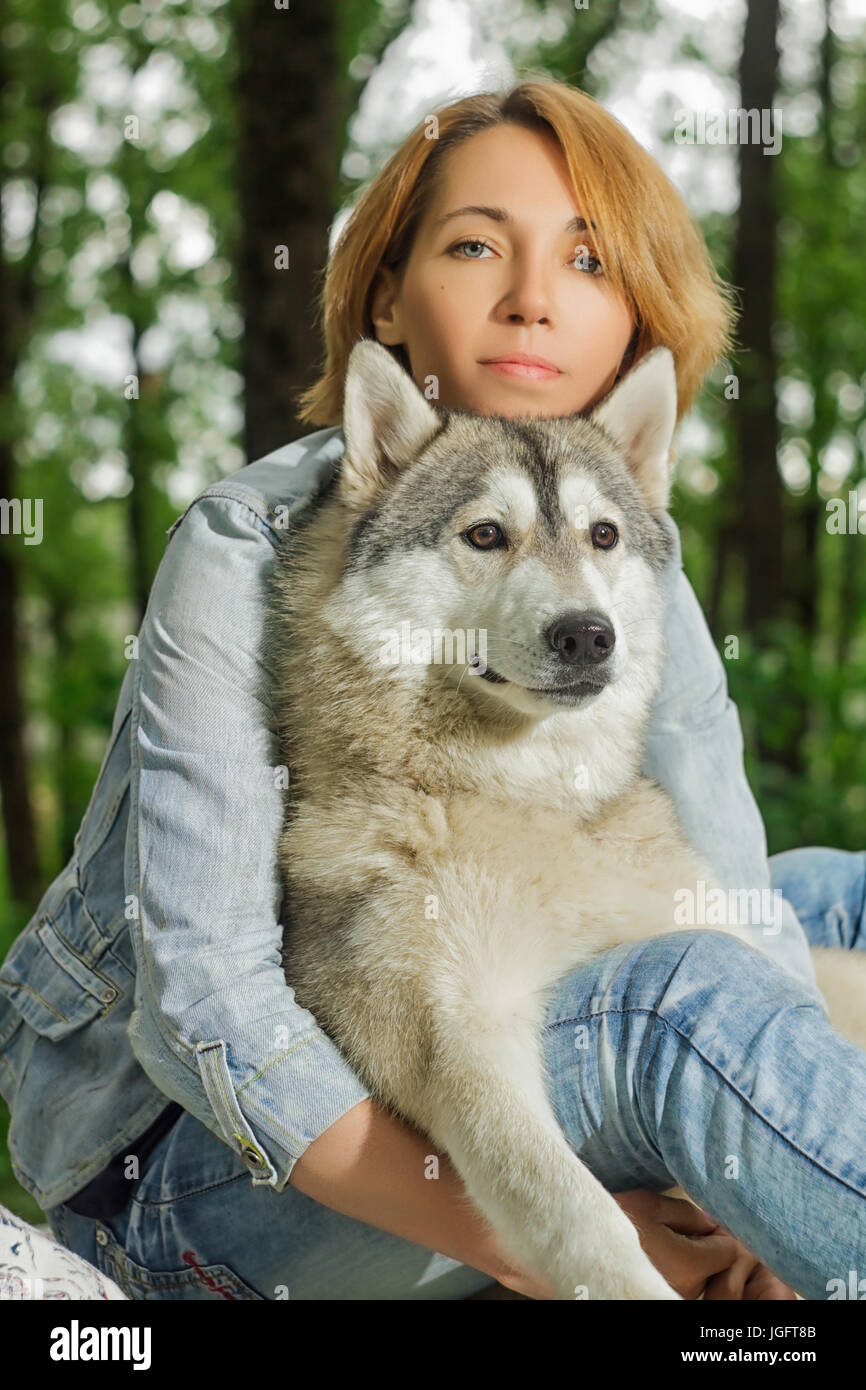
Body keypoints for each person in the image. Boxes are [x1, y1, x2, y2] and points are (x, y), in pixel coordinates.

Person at [1, 78, 864, 1302]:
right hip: (202, 1178)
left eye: (586, 259)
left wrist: (764, 1199)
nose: (531, 297)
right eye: (474, 246)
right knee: (684, 1001)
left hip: (521, 979)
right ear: (387, 297)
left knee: (834, 899)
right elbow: (206, 1003)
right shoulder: (247, 542)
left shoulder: (625, 553)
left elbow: (735, 887)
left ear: (629, 318)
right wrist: (559, 1242)